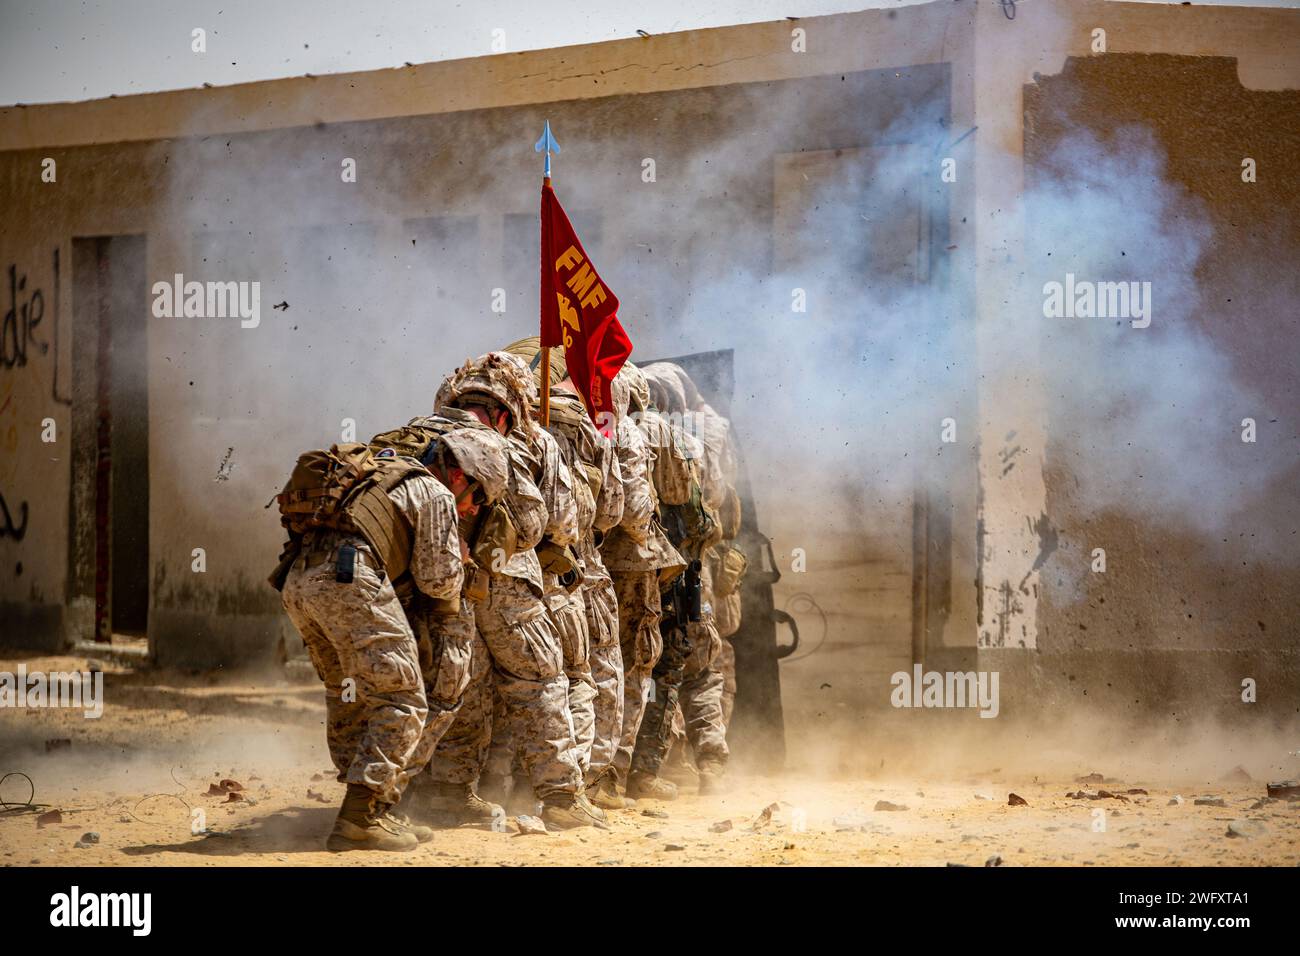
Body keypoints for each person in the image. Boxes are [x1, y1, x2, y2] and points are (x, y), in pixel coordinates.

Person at [426, 353, 606, 830]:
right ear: (508, 408)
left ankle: (449, 792)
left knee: (466, 686)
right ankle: (563, 798)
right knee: (541, 683)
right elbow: (551, 523)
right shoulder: (518, 442)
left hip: (445, 585)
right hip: (509, 589)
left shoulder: (424, 435)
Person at [273, 444, 463, 851]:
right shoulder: (435, 492)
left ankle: (371, 807)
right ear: (463, 474)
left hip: (300, 583)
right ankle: (360, 817)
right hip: (347, 581)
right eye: (477, 496)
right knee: (403, 699)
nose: (474, 505)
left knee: (348, 695)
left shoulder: (376, 476)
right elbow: (438, 581)